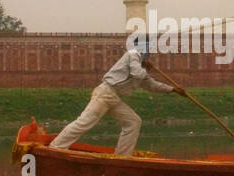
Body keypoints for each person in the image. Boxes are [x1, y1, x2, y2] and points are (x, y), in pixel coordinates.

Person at [49, 39, 186, 156]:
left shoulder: (139, 66)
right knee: (84, 122)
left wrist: (173, 89)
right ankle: (56, 147)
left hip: (113, 98)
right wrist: (145, 66)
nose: (150, 54)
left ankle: (122, 156)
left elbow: (152, 85)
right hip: (105, 93)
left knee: (133, 121)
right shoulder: (133, 55)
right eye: (149, 51)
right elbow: (138, 74)